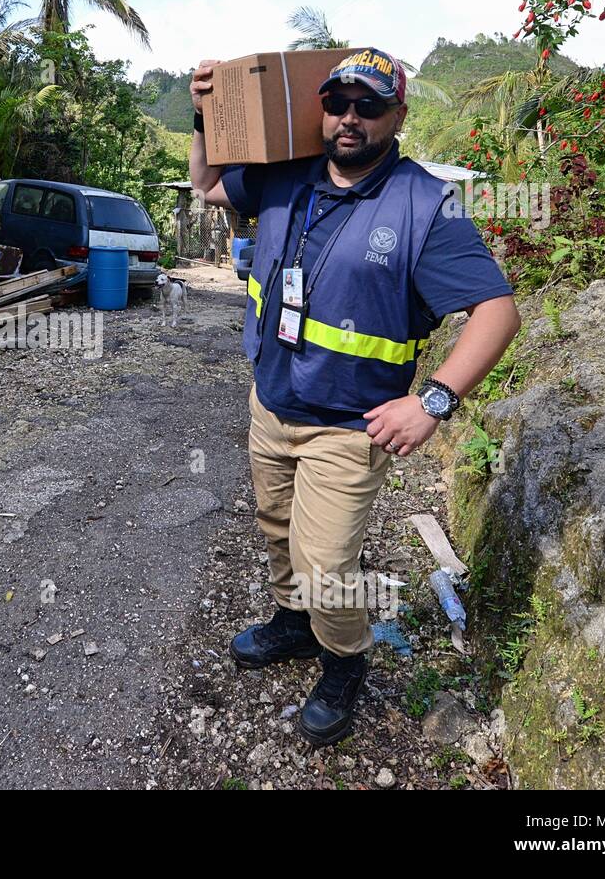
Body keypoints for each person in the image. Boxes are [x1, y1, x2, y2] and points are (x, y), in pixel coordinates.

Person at [189, 48, 521, 745]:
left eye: (369, 105)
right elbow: (208, 187)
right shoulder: (284, 175)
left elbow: (496, 312)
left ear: (397, 114)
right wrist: (202, 118)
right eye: (338, 102)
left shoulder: (425, 204)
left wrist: (431, 403)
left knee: (327, 565)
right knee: (276, 529)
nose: (349, 118)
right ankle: (292, 622)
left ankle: (344, 658)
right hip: (271, 403)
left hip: (348, 426)